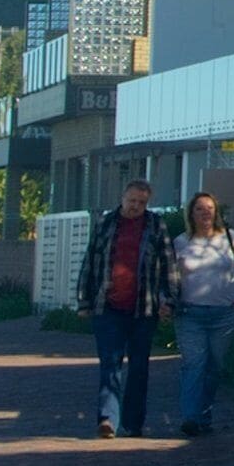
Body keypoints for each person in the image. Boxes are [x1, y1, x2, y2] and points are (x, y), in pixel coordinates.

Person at [75, 179, 177, 438]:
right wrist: (84, 301)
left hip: (144, 308)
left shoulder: (155, 225)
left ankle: (133, 423)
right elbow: (90, 262)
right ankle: (108, 418)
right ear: (122, 199)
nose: (136, 207)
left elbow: (168, 265)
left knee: (139, 366)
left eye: (141, 203)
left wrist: (169, 299)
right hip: (108, 305)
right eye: (132, 201)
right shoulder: (106, 223)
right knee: (110, 363)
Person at [168, 192, 234, 438]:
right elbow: (171, 277)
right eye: (200, 209)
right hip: (190, 313)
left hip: (224, 314)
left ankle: (204, 415)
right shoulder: (181, 242)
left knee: (214, 366)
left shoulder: (229, 238)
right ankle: (191, 417)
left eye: (210, 208)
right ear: (191, 214)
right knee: (194, 364)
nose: (206, 213)